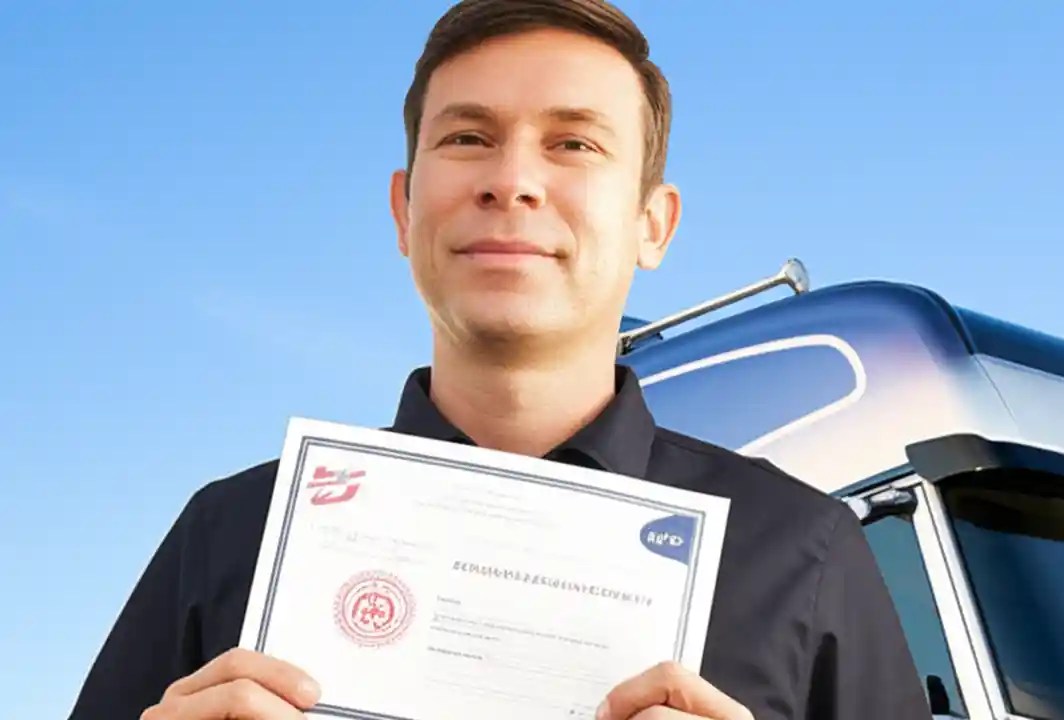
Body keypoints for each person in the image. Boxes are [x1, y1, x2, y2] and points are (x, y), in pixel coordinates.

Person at [68, 1, 930, 718]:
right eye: (469, 138)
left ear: (653, 224)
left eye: (575, 144)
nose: (513, 179)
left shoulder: (804, 552)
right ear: (406, 211)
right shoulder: (230, 534)